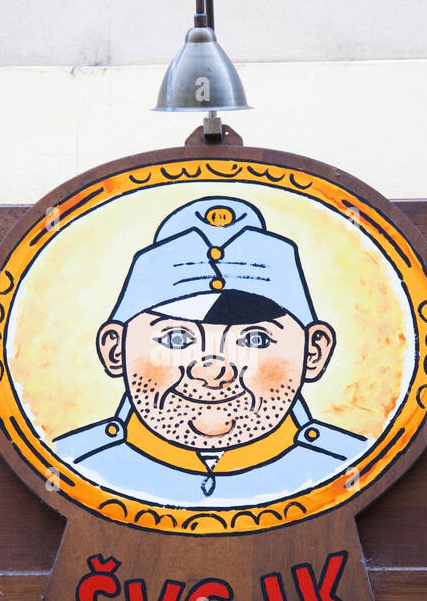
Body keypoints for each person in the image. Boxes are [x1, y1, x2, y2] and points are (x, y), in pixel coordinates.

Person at [53, 196, 365, 507]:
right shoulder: (71, 465)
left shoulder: (348, 468)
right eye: (176, 339)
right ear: (114, 349)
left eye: (255, 340)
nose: (213, 371)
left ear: (314, 352)